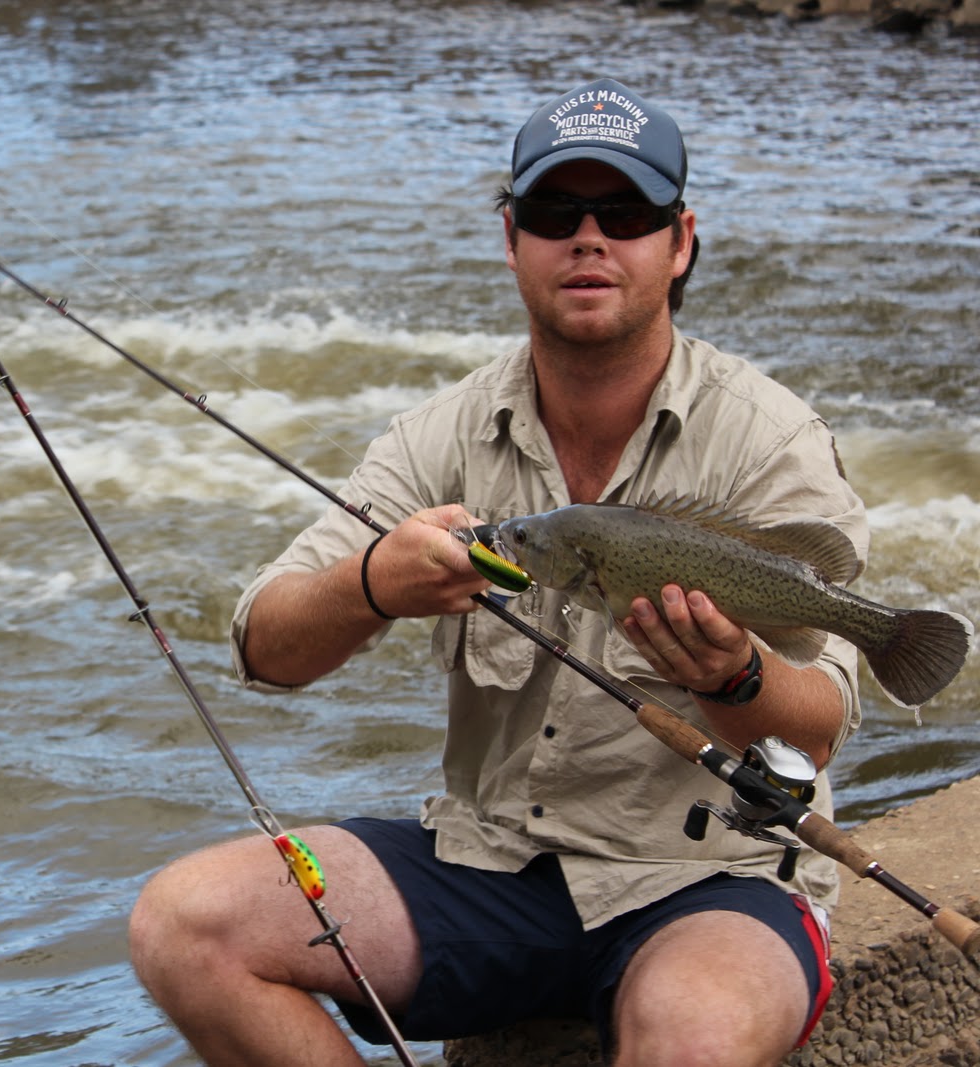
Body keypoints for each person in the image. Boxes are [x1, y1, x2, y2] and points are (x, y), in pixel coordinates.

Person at [128, 77, 867, 1067]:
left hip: (713, 878)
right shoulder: (438, 435)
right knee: (182, 921)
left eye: (628, 212)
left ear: (679, 240)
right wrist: (372, 584)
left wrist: (731, 676)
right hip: (488, 867)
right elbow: (264, 642)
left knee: (690, 1036)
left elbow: (818, 725)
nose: (590, 237)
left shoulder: (769, 439)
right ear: (511, 237)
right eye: (556, 211)